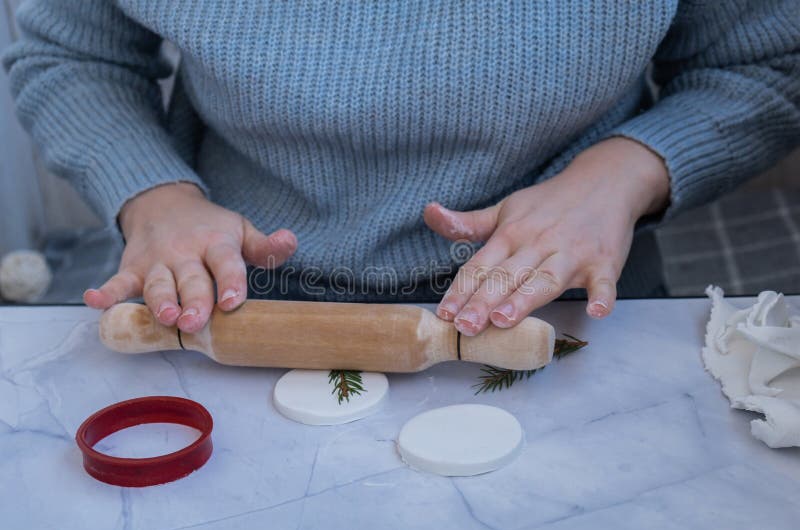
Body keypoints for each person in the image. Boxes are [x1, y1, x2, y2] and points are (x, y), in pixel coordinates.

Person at [4, 1, 799, 338]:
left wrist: (625, 172)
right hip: (223, 308)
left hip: (561, 309)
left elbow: (764, 63)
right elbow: (72, 53)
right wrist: (155, 195)